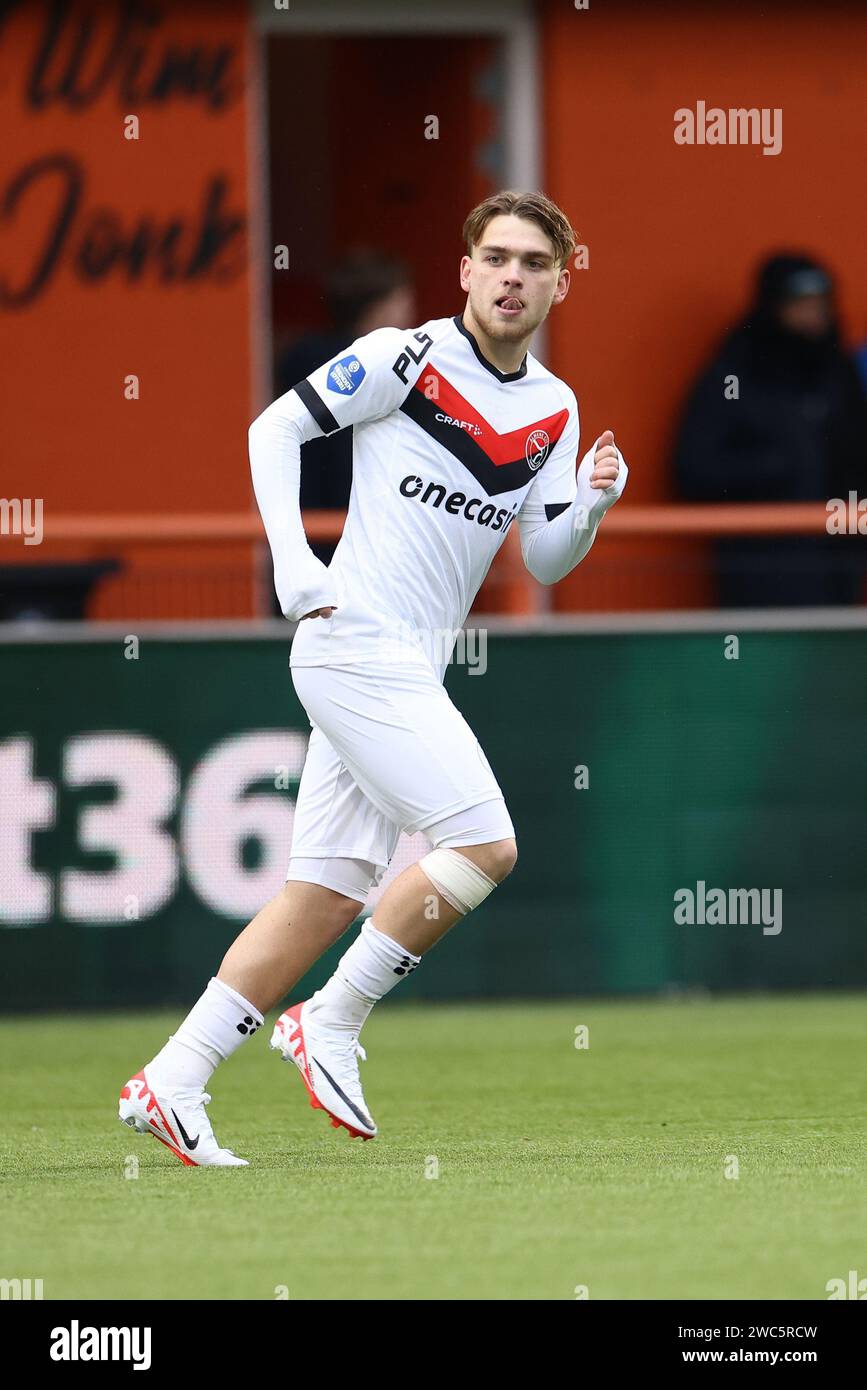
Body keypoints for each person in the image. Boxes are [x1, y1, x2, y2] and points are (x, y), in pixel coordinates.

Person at [118, 190, 629, 1165]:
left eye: (535, 262)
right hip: (355, 641)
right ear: (467, 269)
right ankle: (332, 1020)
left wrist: (595, 504)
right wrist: (292, 565)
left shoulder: (556, 409)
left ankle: (172, 1080)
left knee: (325, 890)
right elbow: (275, 430)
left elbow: (547, 558)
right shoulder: (411, 356)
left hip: (408, 662)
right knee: (485, 843)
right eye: (498, 257)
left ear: (562, 280)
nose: (515, 276)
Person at [674, 254, 867, 606]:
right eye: (799, 304)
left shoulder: (839, 373)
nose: (812, 316)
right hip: (759, 574)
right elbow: (695, 471)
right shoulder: (733, 376)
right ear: (772, 307)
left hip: (839, 572)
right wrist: (780, 467)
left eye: (820, 304)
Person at [273, 251, 416, 571]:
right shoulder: (378, 368)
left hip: (310, 529)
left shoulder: (302, 356)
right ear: (377, 307)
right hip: (344, 532)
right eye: (402, 300)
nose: (409, 311)